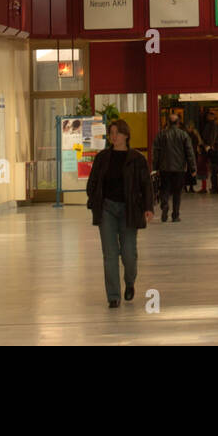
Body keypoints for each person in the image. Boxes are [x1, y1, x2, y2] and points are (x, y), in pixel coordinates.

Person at [86, 119, 155, 307]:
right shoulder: (102, 158)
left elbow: (146, 185)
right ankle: (114, 296)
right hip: (107, 208)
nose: (114, 136)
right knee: (110, 254)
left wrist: (148, 207)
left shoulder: (136, 159)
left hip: (129, 210)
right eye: (111, 133)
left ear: (126, 135)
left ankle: (130, 282)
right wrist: (93, 199)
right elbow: (92, 182)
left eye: (117, 133)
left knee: (129, 254)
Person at [153, 111, 196, 222]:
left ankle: (165, 205)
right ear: (178, 123)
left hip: (164, 168)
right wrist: (193, 168)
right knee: (177, 192)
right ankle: (175, 215)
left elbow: (156, 152)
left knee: (164, 189)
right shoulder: (183, 135)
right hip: (179, 168)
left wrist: (155, 167)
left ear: (167, 122)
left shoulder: (161, 135)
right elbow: (189, 152)